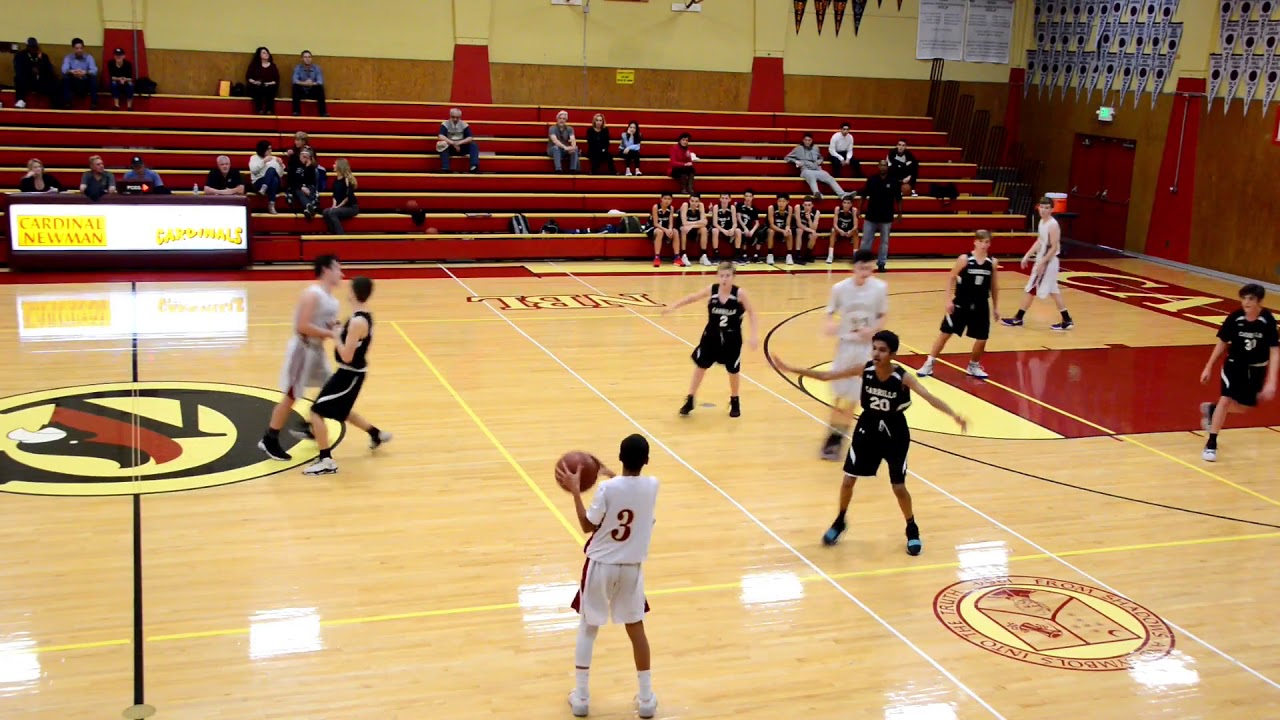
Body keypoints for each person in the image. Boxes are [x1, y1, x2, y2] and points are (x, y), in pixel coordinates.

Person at [772, 330, 967, 554]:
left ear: (892, 354)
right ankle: (840, 520)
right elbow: (827, 376)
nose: (876, 353)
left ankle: (912, 528)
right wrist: (790, 368)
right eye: (874, 348)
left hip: (895, 433)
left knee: (898, 487)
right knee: (848, 480)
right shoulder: (865, 370)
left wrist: (954, 415)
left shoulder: (902, 377)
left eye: (882, 350)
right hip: (868, 429)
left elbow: (930, 398)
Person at [558, 434, 660, 720]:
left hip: (601, 565)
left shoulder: (606, 490)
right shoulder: (653, 486)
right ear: (647, 461)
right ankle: (647, 699)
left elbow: (585, 525)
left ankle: (581, 698)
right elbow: (630, 490)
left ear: (620, 456)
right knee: (636, 630)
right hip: (631, 568)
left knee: (588, 627)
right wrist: (611, 474)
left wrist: (576, 491)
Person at [302, 276, 392, 475]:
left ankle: (326, 460)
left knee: (316, 412)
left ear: (353, 293)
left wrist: (335, 336)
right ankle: (376, 434)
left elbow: (347, 356)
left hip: (349, 374)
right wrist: (338, 329)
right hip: (348, 373)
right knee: (343, 411)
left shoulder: (357, 322)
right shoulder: (361, 316)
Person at [260, 255, 343, 462]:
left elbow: (324, 326)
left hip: (317, 351)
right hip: (303, 349)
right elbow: (302, 326)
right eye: (337, 268)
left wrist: (335, 328)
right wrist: (330, 334)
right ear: (326, 270)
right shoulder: (312, 294)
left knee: (329, 389)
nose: (341, 273)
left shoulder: (333, 300)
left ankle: (309, 424)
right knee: (292, 395)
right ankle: (270, 439)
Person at [663, 262, 759, 418]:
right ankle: (690, 399)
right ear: (717, 276)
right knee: (700, 367)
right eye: (722, 276)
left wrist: (754, 335)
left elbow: (752, 313)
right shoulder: (712, 290)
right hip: (711, 336)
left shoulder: (739, 294)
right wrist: (673, 306)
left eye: (728, 276)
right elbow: (693, 297)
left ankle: (735, 401)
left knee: (733, 371)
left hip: (732, 338)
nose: (724, 279)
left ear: (733, 277)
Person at [818, 249, 888, 460]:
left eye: (869, 268)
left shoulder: (880, 288)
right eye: (861, 268)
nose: (865, 272)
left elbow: (883, 315)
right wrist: (830, 324)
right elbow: (829, 312)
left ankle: (840, 437)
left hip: (866, 349)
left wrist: (874, 330)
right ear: (854, 267)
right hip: (846, 345)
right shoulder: (840, 288)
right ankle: (833, 432)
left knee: (855, 396)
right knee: (839, 394)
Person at [1198, 283, 1279, 462]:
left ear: (1259, 301)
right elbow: (1222, 343)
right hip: (1234, 365)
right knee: (1225, 399)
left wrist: (1272, 381)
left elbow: (1274, 350)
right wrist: (1208, 366)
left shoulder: (1267, 320)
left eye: (1250, 299)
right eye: (1244, 298)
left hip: (1257, 369)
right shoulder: (1235, 318)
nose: (1246, 302)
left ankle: (1212, 410)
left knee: (1245, 407)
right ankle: (1211, 443)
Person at [918, 230, 1000, 380]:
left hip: (981, 304)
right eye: (981, 241)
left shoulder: (992, 262)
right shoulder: (965, 259)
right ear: (975, 242)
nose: (984, 245)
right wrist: (948, 300)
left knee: (982, 338)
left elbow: (994, 286)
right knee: (945, 334)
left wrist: (996, 307)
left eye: (987, 242)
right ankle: (929, 363)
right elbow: (951, 277)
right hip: (962, 303)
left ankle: (973, 366)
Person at [1001, 196, 1074, 331]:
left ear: (1052, 210)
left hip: (1048, 261)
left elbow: (1053, 247)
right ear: (1038, 207)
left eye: (1047, 208)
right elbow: (1040, 241)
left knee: (1031, 288)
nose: (1044, 210)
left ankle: (1018, 318)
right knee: (1053, 290)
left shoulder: (1053, 225)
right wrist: (1027, 255)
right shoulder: (1042, 222)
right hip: (1043, 260)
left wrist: (1042, 263)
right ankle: (1067, 319)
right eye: (1042, 207)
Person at [859, 160, 902, 273]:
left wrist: (900, 213)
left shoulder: (893, 181)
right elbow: (864, 195)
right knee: (866, 241)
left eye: (885, 165)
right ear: (878, 167)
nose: (883, 167)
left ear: (887, 167)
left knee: (884, 242)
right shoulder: (872, 179)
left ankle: (881, 263)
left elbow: (898, 198)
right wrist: (859, 209)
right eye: (881, 165)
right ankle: (863, 262)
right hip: (871, 215)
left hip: (886, 216)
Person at [784, 133, 845, 200]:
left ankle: (842, 194)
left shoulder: (816, 148)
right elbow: (787, 157)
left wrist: (820, 161)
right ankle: (817, 193)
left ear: (812, 140)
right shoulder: (798, 148)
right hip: (806, 170)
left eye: (809, 140)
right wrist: (795, 161)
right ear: (803, 140)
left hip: (817, 169)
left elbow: (821, 157)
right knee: (811, 176)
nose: (807, 142)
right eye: (806, 140)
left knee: (829, 177)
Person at [12, 38, 59, 109]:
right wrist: (31, 70)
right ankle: (21, 100)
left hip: (40, 81)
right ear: (27, 47)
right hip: (27, 81)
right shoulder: (20, 56)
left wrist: (40, 61)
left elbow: (49, 70)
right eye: (31, 47)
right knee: (18, 78)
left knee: (54, 80)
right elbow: (19, 70)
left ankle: (56, 104)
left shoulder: (43, 56)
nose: (33, 49)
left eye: (35, 46)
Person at [60, 38, 99, 109]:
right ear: (73, 49)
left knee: (93, 79)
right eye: (77, 48)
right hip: (73, 80)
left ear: (83, 48)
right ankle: (67, 103)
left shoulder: (89, 57)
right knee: (65, 79)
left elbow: (94, 70)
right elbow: (64, 70)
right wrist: (72, 71)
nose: (79, 50)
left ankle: (94, 103)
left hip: (85, 81)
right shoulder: (68, 57)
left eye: (81, 48)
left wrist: (85, 72)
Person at [438, 108, 480, 173]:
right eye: (453, 117)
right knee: (441, 144)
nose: (455, 119)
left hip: (461, 147)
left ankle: (474, 167)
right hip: (450, 147)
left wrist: (459, 143)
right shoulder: (445, 124)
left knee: (473, 145)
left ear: (460, 117)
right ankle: (445, 168)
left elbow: (470, 138)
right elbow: (441, 136)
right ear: (450, 116)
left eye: (457, 117)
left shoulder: (464, 124)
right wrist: (453, 143)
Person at [288, 148, 326, 220]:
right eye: (303, 157)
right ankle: (309, 206)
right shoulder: (294, 164)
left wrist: (308, 168)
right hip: (296, 187)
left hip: (307, 186)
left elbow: (311, 181)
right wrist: (301, 187)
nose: (304, 159)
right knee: (299, 191)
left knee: (311, 188)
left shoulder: (311, 167)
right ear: (300, 156)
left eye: (307, 158)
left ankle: (308, 210)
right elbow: (291, 180)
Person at [323, 158, 359, 234]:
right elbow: (335, 195)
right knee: (326, 212)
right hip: (341, 206)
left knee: (332, 213)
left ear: (339, 166)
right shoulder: (336, 181)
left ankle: (340, 235)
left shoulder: (347, 180)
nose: (333, 165)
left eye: (335, 164)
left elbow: (348, 197)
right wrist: (334, 205)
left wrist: (338, 206)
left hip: (351, 207)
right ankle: (333, 233)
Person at [249, 141, 285, 214]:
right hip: (258, 182)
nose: (270, 150)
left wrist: (281, 165)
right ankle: (271, 205)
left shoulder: (274, 159)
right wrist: (263, 162)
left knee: (272, 172)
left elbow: (280, 175)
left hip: (270, 186)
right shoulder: (254, 158)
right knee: (274, 180)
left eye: (271, 148)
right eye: (268, 149)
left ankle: (264, 187)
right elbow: (254, 171)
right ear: (262, 149)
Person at [290, 50, 328, 117]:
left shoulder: (317, 68)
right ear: (302, 59)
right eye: (305, 57)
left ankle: (323, 112)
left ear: (311, 58)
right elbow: (294, 80)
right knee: (295, 87)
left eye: (309, 57)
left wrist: (311, 83)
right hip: (302, 92)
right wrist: (304, 83)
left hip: (312, 92)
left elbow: (320, 81)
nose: (307, 59)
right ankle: (296, 111)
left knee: (320, 88)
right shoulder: (298, 68)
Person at [649, 192, 681, 267]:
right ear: (661, 199)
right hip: (653, 228)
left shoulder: (671, 208)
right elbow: (655, 223)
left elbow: (670, 222)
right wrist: (666, 230)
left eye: (669, 199)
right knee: (660, 232)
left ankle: (677, 257)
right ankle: (657, 257)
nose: (667, 201)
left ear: (671, 200)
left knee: (675, 231)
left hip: (664, 228)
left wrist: (669, 229)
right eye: (665, 199)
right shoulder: (656, 207)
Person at [710, 193, 743, 264]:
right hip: (719, 229)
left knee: (738, 230)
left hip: (729, 229)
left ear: (729, 199)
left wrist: (732, 229)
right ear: (720, 199)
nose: (724, 200)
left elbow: (735, 223)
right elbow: (715, 223)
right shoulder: (716, 207)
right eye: (722, 198)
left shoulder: (732, 207)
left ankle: (737, 255)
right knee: (714, 230)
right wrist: (723, 230)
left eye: (726, 198)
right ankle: (716, 255)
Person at [245, 47, 280, 115]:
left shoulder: (273, 66)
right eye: (264, 53)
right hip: (256, 86)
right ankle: (259, 109)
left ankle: (269, 110)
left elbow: (276, 80)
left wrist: (268, 83)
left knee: (270, 89)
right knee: (258, 88)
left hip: (269, 86)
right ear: (259, 55)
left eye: (267, 52)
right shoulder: (254, 65)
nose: (266, 54)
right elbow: (249, 77)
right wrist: (255, 82)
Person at [826, 193, 859, 264]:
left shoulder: (854, 210)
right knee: (833, 230)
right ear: (842, 203)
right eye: (844, 203)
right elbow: (834, 224)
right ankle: (830, 256)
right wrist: (839, 230)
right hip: (839, 229)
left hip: (849, 230)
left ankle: (855, 256)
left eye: (848, 203)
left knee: (856, 232)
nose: (846, 205)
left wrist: (851, 231)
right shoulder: (837, 209)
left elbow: (855, 226)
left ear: (851, 204)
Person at [789, 195, 821, 266]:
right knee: (800, 230)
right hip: (797, 228)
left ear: (812, 205)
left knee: (814, 235)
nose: (807, 207)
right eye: (805, 205)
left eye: (809, 205)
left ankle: (807, 255)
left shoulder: (816, 212)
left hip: (808, 229)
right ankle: (797, 255)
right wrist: (810, 230)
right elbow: (799, 224)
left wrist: (809, 219)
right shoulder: (798, 207)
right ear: (803, 204)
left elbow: (814, 228)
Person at [680, 193, 708, 267]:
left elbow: (705, 222)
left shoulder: (701, 206)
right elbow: (684, 223)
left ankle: (703, 255)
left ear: (699, 202)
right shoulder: (685, 205)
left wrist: (692, 225)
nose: (694, 203)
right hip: (683, 228)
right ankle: (683, 255)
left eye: (696, 201)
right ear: (689, 201)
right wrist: (698, 222)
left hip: (693, 228)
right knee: (684, 229)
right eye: (692, 201)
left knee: (704, 229)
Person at [736, 190, 764, 264]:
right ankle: (744, 254)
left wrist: (752, 231)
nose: (748, 198)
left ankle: (756, 254)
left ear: (753, 198)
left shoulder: (754, 209)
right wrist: (745, 228)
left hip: (750, 229)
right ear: (744, 197)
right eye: (746, 196)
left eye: (750, 196)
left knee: (761, 232)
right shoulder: (739, 205)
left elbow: (757, 223)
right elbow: (738, 218)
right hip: (741, 228)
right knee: (742, 232)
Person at [765, 194, 792, 266]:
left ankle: (789, 255)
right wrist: (783, 231)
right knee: (771, 231)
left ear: (787, 202)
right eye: (779, 201)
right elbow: (771, 225)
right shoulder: (771, 208)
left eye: (783, 201)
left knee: (790, 232)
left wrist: (787, 229)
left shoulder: (789, 208)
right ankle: (770, 255)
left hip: (782, 228)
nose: (781, 203)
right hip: (771, 228)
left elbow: (788, 223)